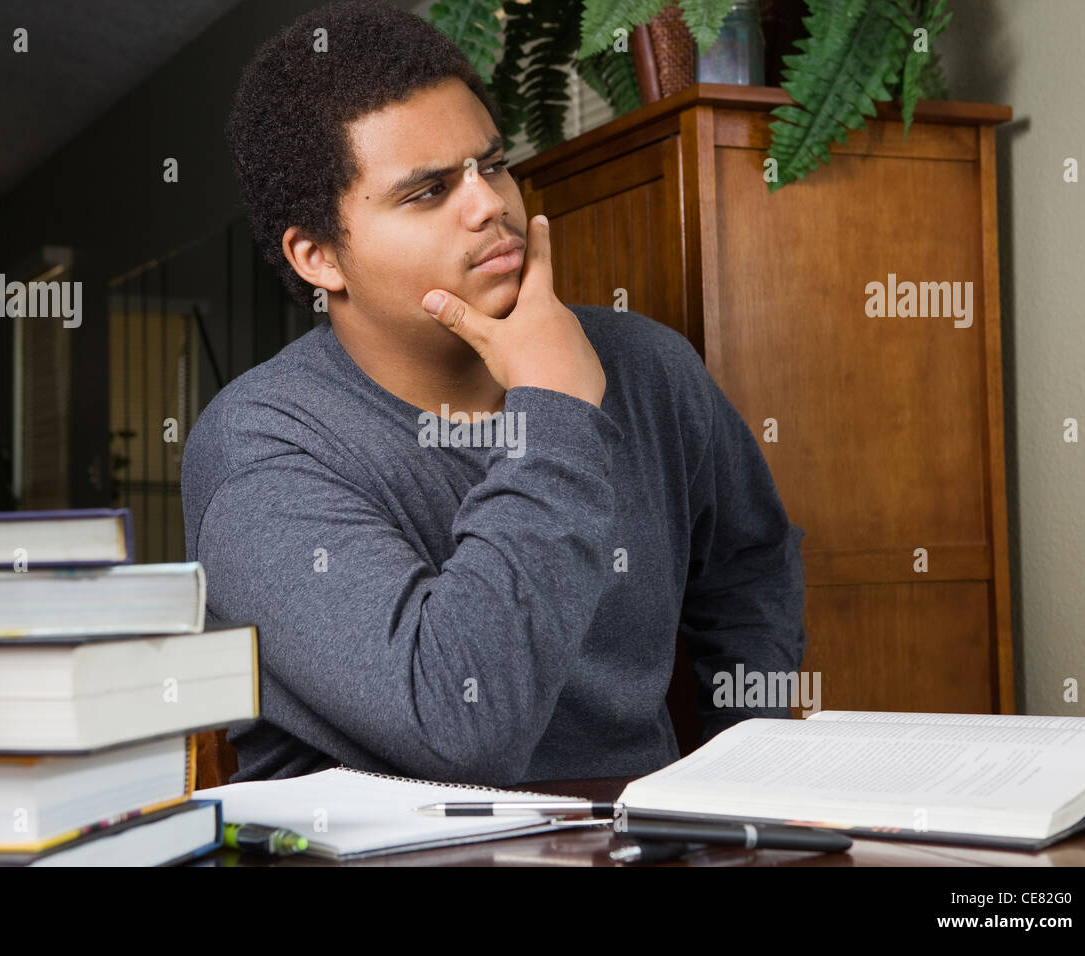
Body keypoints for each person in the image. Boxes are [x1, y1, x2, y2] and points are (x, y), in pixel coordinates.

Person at [182, 0, 806, 787]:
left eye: (493, 162)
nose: (491, 205)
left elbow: (752, 561)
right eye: (428, 192)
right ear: (319, 259)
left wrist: (740, 766)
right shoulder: (261, 446)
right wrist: (556, 411)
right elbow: (459, 727)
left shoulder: (647, 365)